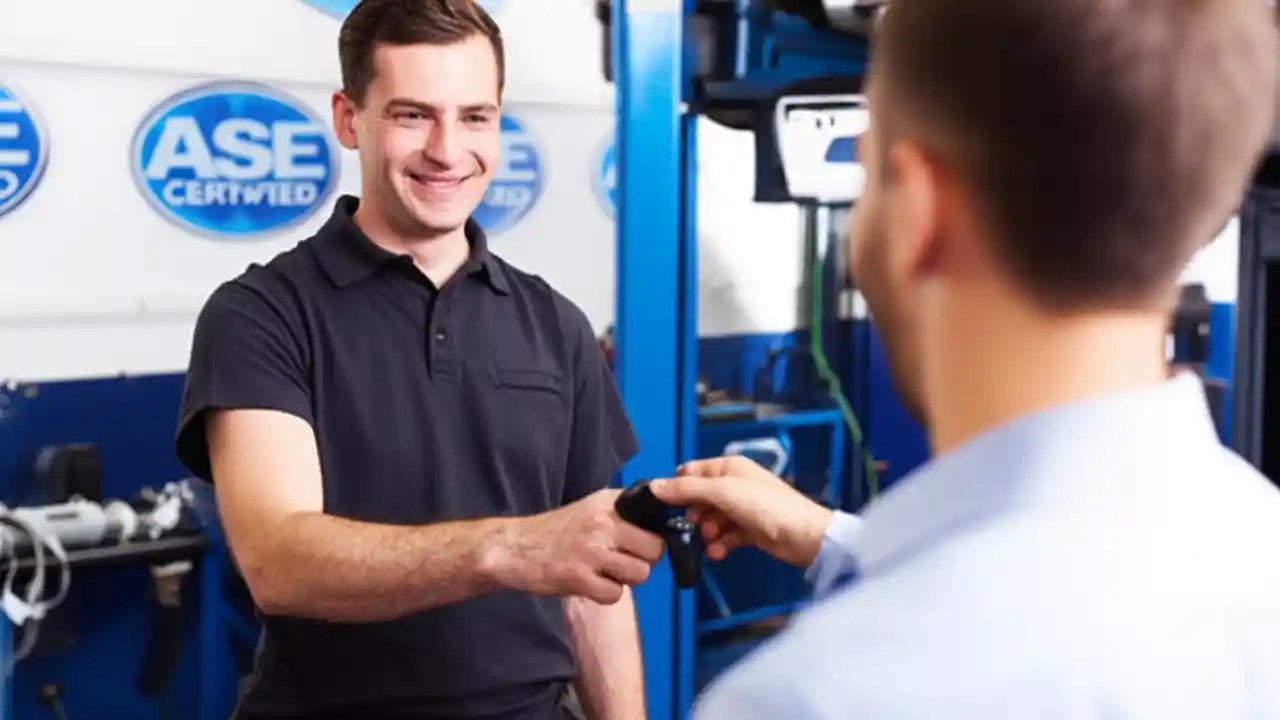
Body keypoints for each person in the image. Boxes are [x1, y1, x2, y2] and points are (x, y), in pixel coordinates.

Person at [651, 0, 1280, 717]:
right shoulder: (1258, 555)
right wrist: (825, 537)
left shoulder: (810, 698)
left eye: (866, 175)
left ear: (917, 212)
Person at [174, 1, 660, 718]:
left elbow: (592, 585)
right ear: (349, 119)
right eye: (412, 115)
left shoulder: (555, 324)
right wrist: (510, 549)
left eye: (475, 117)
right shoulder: (262, 315)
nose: (447, 149)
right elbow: (278, 563)